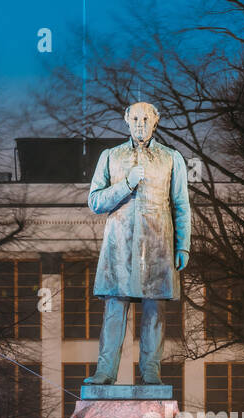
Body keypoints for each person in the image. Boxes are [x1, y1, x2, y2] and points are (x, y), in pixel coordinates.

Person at [85, 101, 191, 385]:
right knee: (115, 309)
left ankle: (151, 370)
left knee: (155, 309)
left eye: (146, 118)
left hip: (158, 244)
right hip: (119, 245)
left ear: (155, 121)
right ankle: (105, 371)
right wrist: (126, 185)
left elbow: (181, 205)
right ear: (126, 121)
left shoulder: (172, 158)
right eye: (135, 118)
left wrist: (183, 245)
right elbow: (95, 202)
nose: (140, 123)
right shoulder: (110, 156)